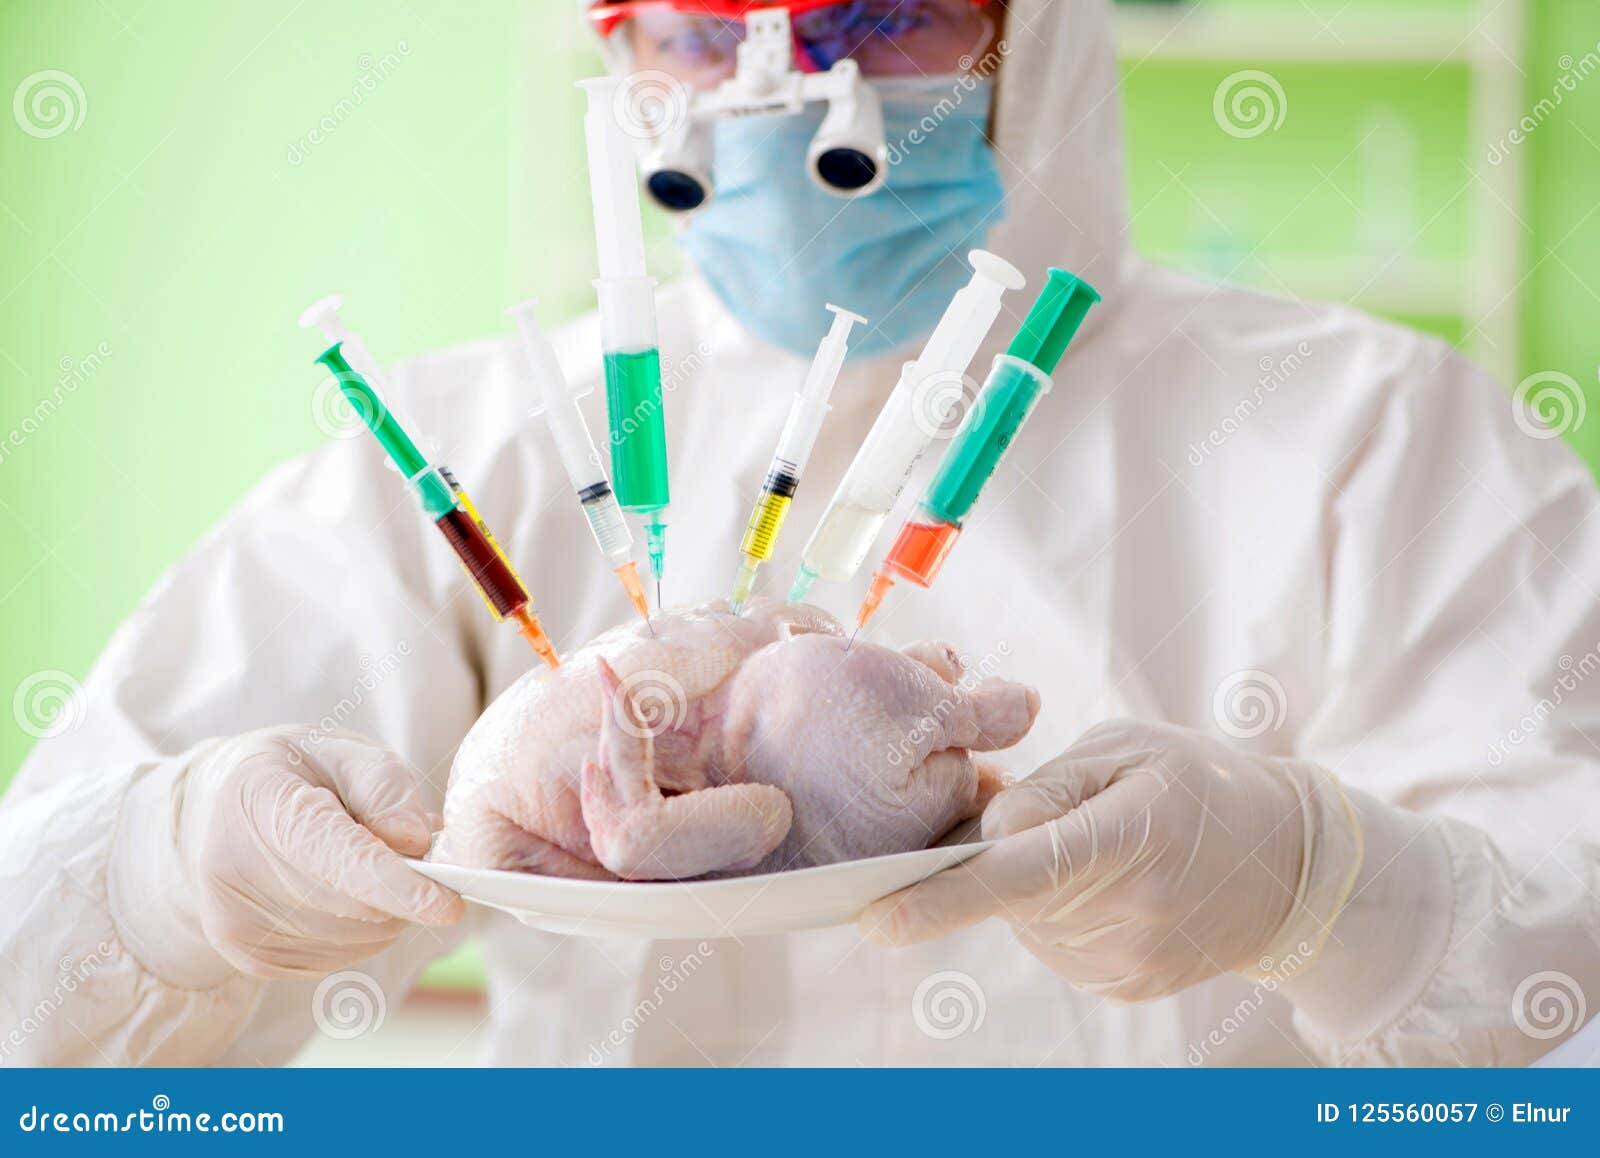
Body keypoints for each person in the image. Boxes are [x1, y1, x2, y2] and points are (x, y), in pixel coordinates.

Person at [1, 0, 1596, 1067]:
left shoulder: (1374, 434)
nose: (778, 103)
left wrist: (1329, 886)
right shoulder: (472, 449)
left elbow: (1567, 970)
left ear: (1037, 34)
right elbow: (31, 994)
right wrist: (168, 870)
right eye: (699, 35)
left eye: (884, 19)